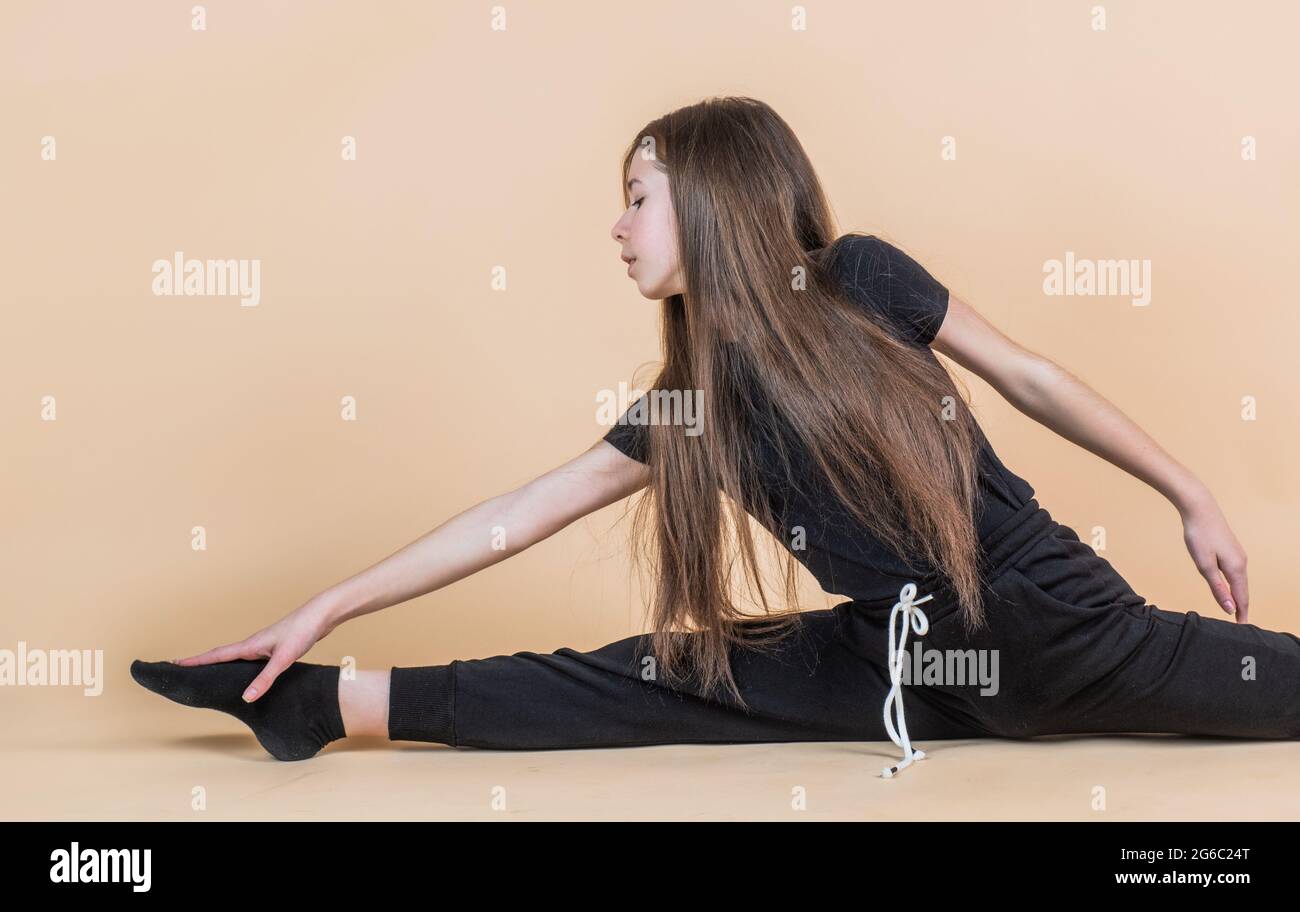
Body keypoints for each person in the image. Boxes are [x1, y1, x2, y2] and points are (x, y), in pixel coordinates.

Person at [132, 96, 1300, 777]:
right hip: (908, 668)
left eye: (637, 196)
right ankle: (320, 705)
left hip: (1063, 636)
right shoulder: (693, 405)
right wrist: (326, 607)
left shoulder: (856, 281)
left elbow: (1033, 378)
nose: (617, 226)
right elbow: (514, 518)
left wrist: (1188, 491)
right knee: (653, 676)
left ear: (713, 198)